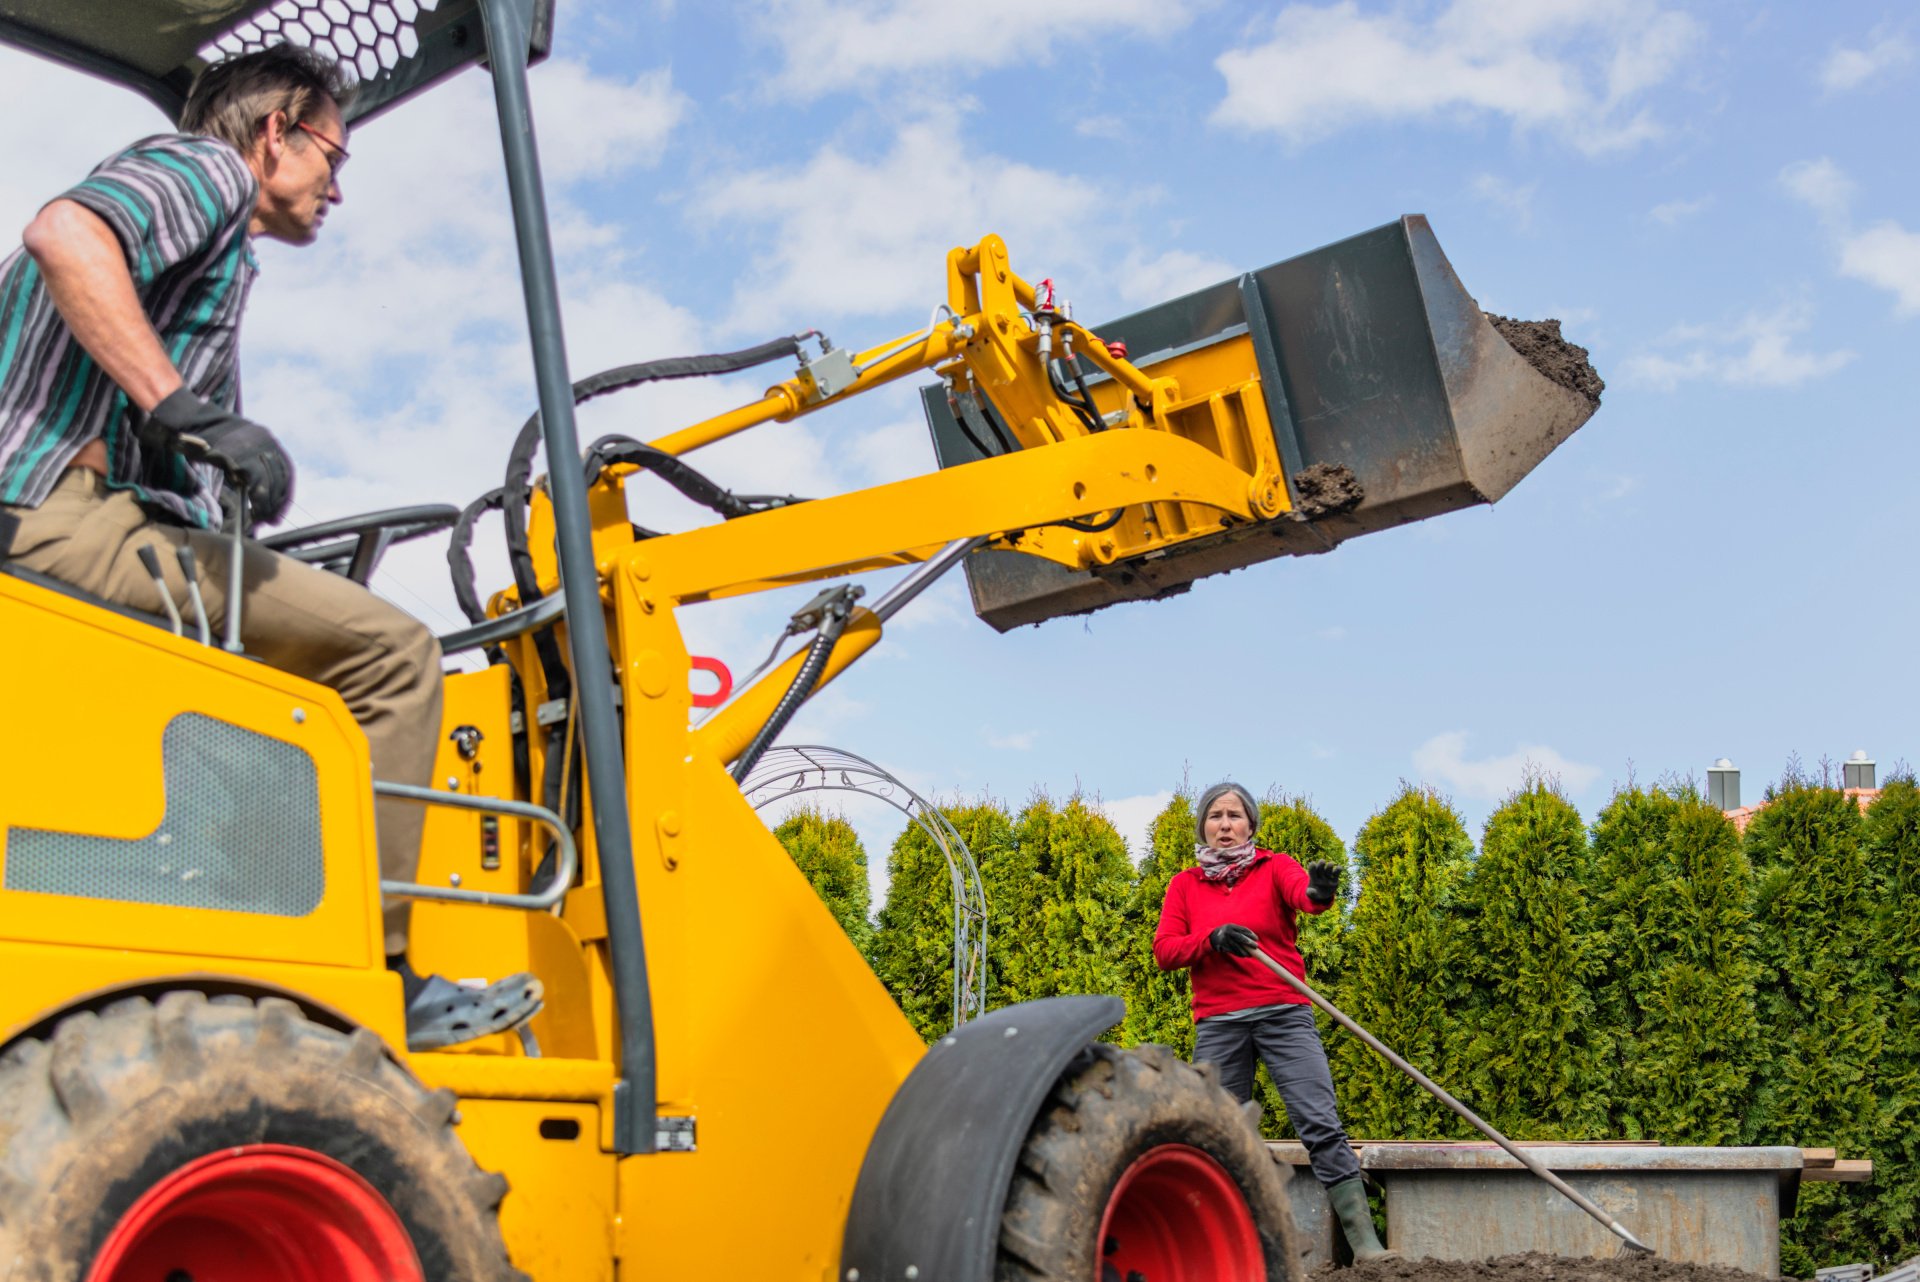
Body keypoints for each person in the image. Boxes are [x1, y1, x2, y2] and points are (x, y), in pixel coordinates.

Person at [0, 45, 537, 1050]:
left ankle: (239, 932)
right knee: (389, 655)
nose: (338, 188)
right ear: (274, 133)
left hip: (65, 514)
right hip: (53, 513)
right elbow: (64, 231)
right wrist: (185, 408)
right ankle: (365, 972)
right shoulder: (205, 171)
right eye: (332, 157)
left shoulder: (208, 268)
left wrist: (205, 448)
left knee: (267, 676)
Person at [1153, 780, 1396, 1263]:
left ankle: (1366, 1245)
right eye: (1215, 816)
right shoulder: (1185, 884)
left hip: (1284, 1014)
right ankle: (1223, 1249)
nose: (1225, 825)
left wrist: (1319, 890)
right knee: (1218, 1135)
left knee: (1319, 1121)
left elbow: (1304, 896)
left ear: (1251, 825)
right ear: (1203, 825)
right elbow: (1165, 951)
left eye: (1235, 815)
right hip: (1220, 1023)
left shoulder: (1273, 867)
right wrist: (1211, 939)